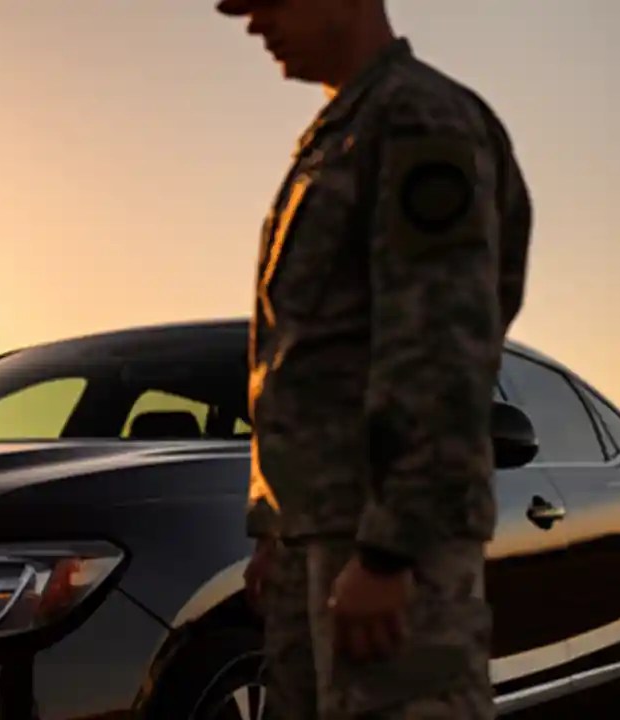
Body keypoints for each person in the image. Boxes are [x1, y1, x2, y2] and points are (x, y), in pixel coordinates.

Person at [216, 0, 532, 718]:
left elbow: (442, 351)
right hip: (315, 544)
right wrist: (274, 531)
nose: (252, 21)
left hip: (385, 546)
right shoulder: (335, 138)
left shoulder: (420, 121)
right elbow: (301, 362)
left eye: (268, 1)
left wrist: (392, 552)